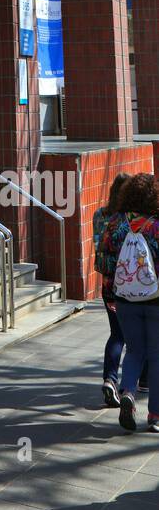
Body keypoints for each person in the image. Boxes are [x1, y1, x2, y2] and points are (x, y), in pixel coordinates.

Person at [96, 172, 159, 433]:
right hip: (156, 300)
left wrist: (110, 296)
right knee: (156, 356)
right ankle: (155, 416)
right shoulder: (156, 225)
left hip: (124, 299)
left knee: (133, 351)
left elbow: (104, 262)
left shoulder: (115, 224)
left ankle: (128, 394)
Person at [92, 173, 133, 407]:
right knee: (138, 336)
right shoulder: (130, 219)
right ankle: (140, 380)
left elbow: (98, 244)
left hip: (108, 284)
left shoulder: (100, 214)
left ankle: (109, 379)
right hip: (130, 285)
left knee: (116, 333)